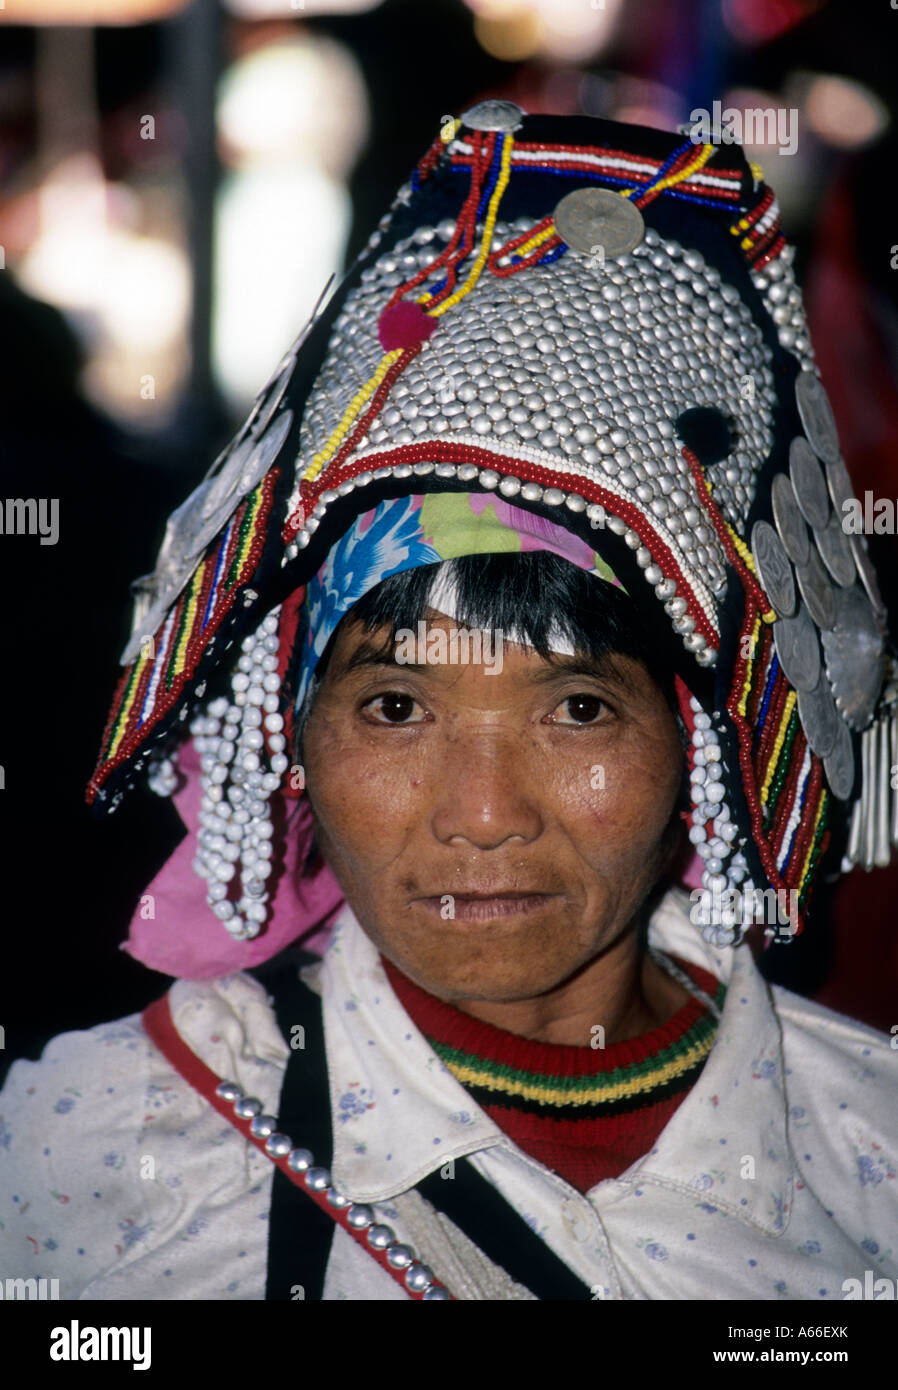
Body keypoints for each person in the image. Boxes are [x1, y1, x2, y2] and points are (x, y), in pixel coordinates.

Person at [2, 102, 897, 1302]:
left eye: (575, 707)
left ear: (698, 739)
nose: (481, 816)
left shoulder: (869, 1152)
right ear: (288, 739)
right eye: (394, 710)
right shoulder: (91, 1153)